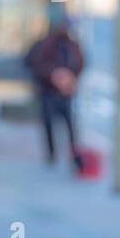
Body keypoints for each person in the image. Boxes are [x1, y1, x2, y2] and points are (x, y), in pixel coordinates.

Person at [23, 17, 85, 169]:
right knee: (49, 124)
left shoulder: (73, 46)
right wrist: (54, 75)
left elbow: (80, 64)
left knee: (70, 127)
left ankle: (74, 156)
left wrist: (70, 78)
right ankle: (51, 155)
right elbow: (33, 63)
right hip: (48, 92)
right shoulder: (45, 45)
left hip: (66, 93)